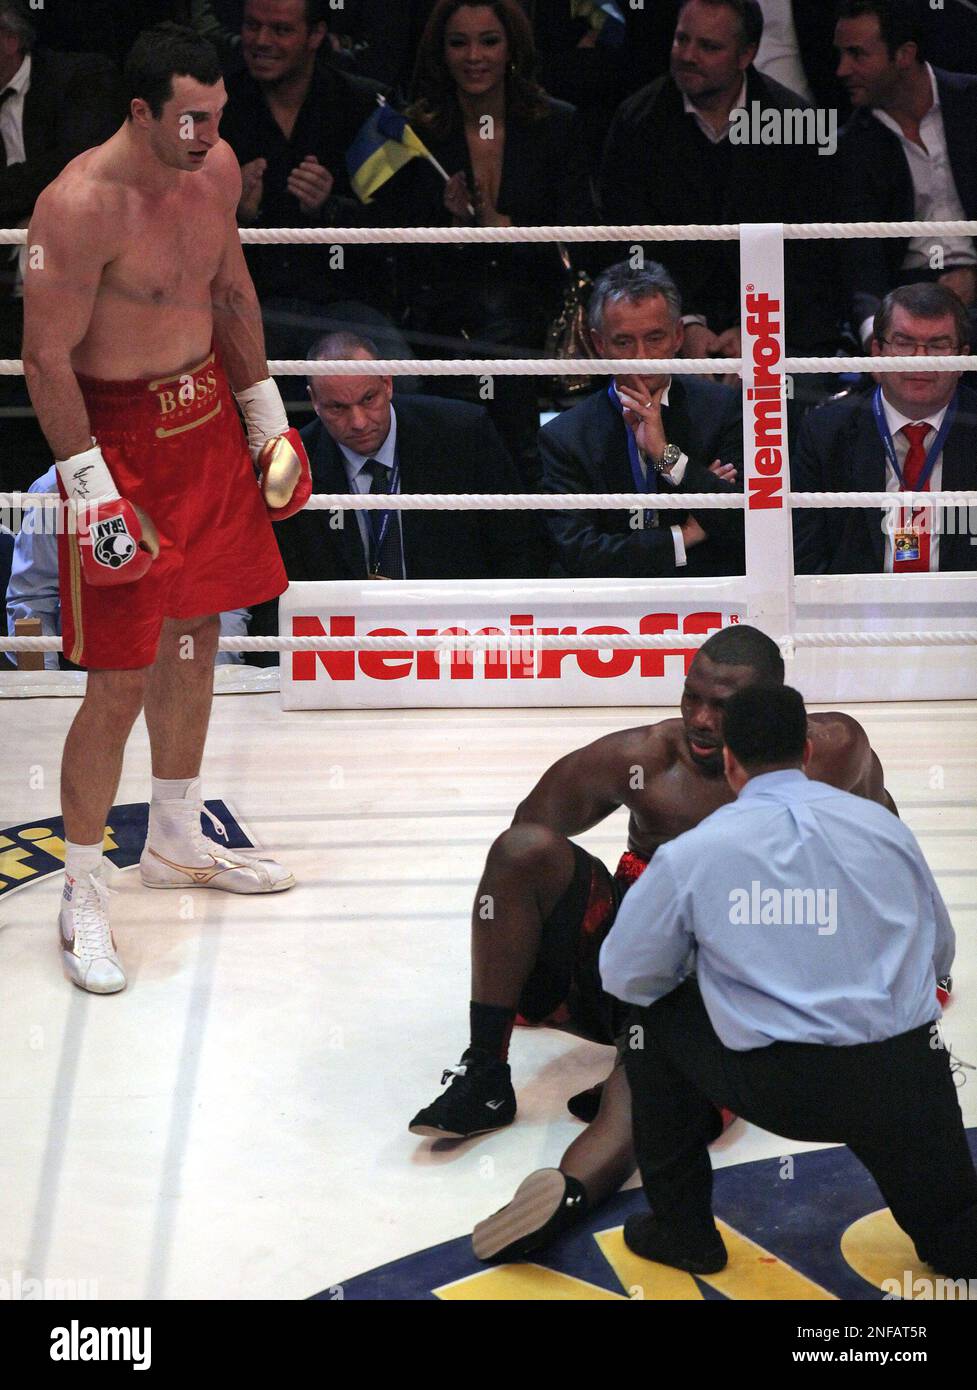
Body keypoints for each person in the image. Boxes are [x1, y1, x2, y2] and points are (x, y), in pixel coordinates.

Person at [408, 626, 937, 1264]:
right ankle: (485, 1073)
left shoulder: (832, 751)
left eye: (723, 706)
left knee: (645, 1080)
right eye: (692, 698)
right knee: (523, 851)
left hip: (724, 986)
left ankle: (570, 1192)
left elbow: (886, 834)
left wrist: (914, 955)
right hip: (631, 957)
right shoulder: (641, 760)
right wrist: (529, 959)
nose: (701, 720)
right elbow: (528, 830)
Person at [21, 24, 313, 995]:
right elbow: (46, 360)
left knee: (199, 631)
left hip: (205, 429)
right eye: (189, 117)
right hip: (118, 447)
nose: (207, 134)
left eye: (217, 115)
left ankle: (177, 835)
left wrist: (264, 415)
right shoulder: (75, 208)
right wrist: (93, 489)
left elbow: (228, 289)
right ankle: (81, 888)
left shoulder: (216, 166)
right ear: (139, 111)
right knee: (115, 677)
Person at [600, 683, 975, 1279]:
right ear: (805, 751)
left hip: (779, 1085)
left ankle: (684, 1230)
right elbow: (940, 953)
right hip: (907, 1079)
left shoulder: (696, 852)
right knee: (963, 1248)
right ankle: (954, 1233)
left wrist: (717, 975)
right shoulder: (886, 829)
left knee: (650, 1023)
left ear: (728, 760)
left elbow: (625, 973)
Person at [599, 0, 843, 404]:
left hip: (777, 320)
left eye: (709, 47)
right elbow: (626, 245)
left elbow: (813, 255)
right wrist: (685, 325)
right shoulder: (636, 123)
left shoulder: (796, 124)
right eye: (682, 40)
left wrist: (756, 331)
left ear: (746, 55)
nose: (688, 56)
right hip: (666, 323)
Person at [399, 0, 595, 483]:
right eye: (459, 42)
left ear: (511, 46)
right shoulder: (418, 131)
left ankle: (518, 506)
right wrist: (447, 222)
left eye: (488, 41)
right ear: (441, 52)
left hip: (536, 301)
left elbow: (585, 234)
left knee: (502, 341)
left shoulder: (557, 124)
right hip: (443, 304)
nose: (474, 56)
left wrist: (506, 226)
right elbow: (397, 246)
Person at [219, 0, 415, 369]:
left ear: (316, 34)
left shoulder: (369, 106)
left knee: (400, 388)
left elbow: (404, 227)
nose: (261, 41)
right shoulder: (216, 108)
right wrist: (235, 212)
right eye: (251, 26)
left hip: (348, 306)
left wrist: (332, 208)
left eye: (280, 30)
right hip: (247, 304)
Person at [263, 331, 548, 585]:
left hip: (457, 627)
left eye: (367, 399)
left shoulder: (463, 434)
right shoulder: (296, 463)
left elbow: (517, 547)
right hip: (344, 634)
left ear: (387, 383)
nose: (359, 422)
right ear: (314, 401)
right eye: (337, 407)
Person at [539, 260, 744, 578]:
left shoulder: (721, 409)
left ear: (678, 337)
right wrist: (683, 535)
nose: (641, 356)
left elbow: (743, 527)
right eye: (624, 342)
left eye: (654, 338)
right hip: (609, 611)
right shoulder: (565, 436)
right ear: (599, 344)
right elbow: (579, 555)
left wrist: (666, 456)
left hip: (706, 599)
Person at [0, 0, 121, 494]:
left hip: (82, 266)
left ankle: (88, 484)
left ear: (11, 40)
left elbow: (82, 164)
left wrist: (44, 210)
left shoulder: (81, 78)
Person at [792, 282, 977, 574]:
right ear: (877, 351)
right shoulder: (825, 431)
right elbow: (806, 561)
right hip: (853, 613)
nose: (920, 360)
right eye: (904, 343)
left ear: (963, 358)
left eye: (938, 345)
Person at [6, 466, 252, 671]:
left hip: (186, 659)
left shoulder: (203, 477)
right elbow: (33, 600)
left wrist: (217, 678)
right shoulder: (57, 488)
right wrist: (47, 688)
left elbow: (224, 596)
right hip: (88, 669)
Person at [835, 0, 977, 348]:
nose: (841, 69)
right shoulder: (849, 147)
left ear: (904, 54)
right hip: (902, 299)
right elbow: (860, 265)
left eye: (857, 54)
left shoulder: (972, 103)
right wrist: (874, 337)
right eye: (841, 54)